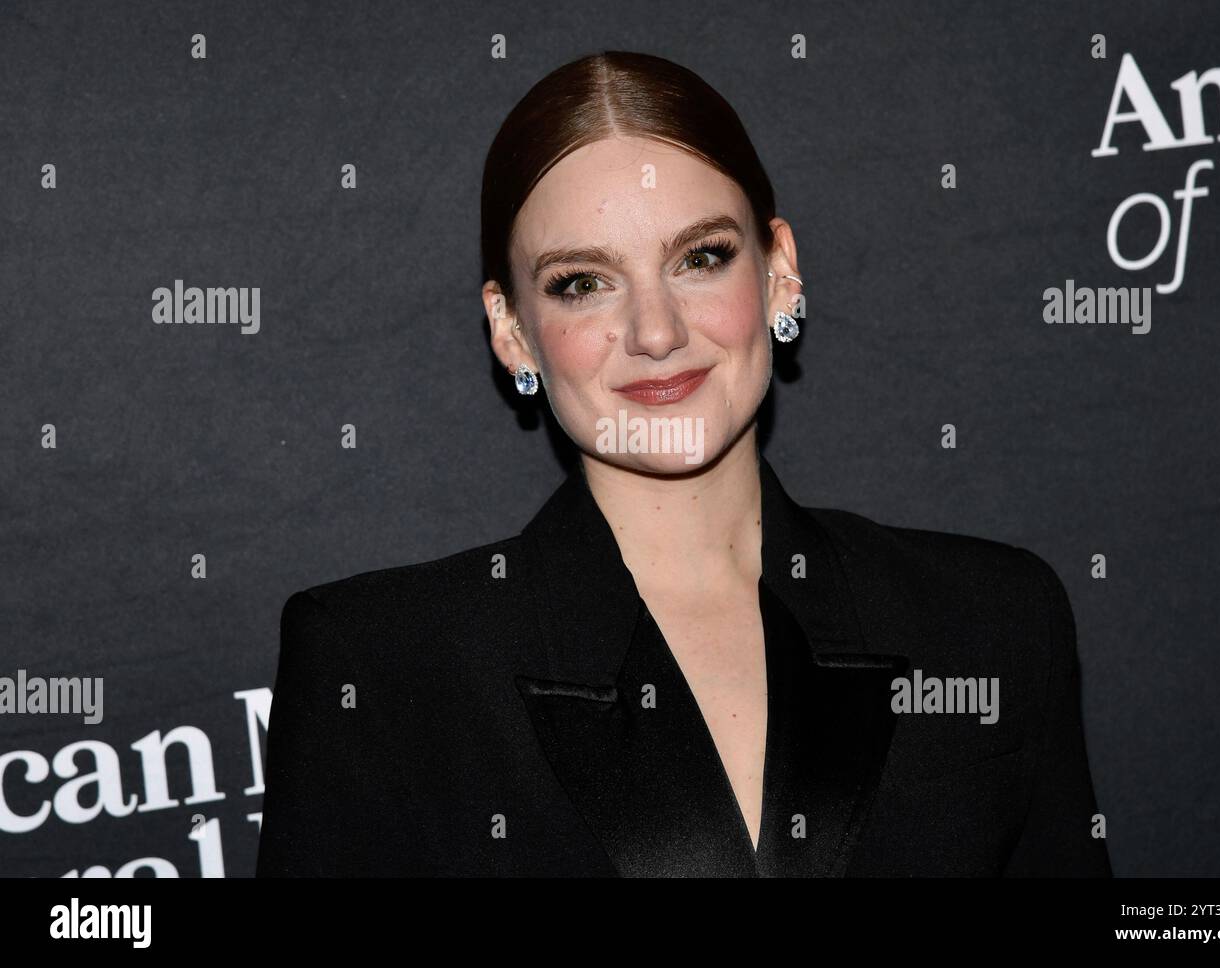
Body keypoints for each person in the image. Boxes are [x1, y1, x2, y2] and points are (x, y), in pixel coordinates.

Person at [255, 50, 1111, 877]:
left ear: (780, 272)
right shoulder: (381, 670)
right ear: (511, 329)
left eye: (701, 257)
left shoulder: (989, 621)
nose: (657, 332)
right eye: (582, 283)